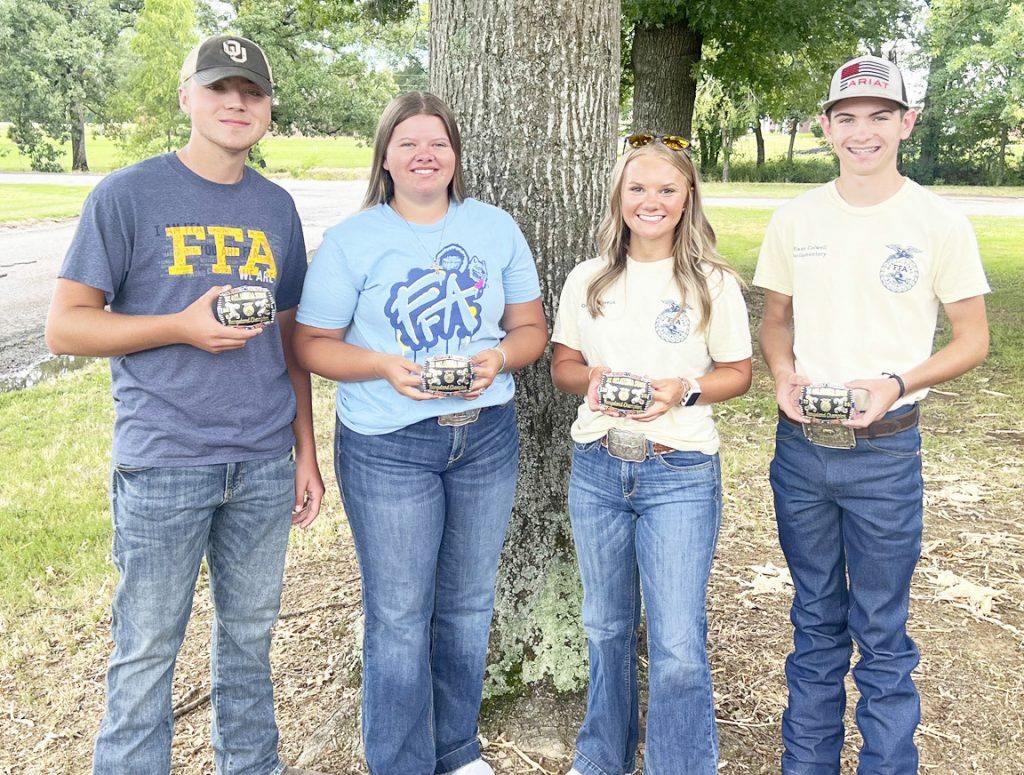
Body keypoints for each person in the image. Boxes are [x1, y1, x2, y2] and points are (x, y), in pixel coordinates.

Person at [44, 35, 326, 775]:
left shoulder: (275, 207)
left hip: (263, 462)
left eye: (253, 92)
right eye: (219, 88)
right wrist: (179, 326)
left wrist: (305, 451)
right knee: (145, 653)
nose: (236, 103)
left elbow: (291, 339)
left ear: (267, 110)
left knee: (249, 645)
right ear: (186, 99)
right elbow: (66, 325)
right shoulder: (127, 195)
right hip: (164, 460)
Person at [292, 91, 547, 775]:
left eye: (437, 142)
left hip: (485, 434)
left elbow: (531, 330)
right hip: (388, 446)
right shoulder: (355, 239)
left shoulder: (494, 227)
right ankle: (400, 761)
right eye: (408, 142)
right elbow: (311, 343)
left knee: (466, 604)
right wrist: (380, 365)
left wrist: (497, 357)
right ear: (385, 156)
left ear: (456, 155)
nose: (424, 154)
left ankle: (456, 748)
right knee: (401, 615)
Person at [754, 55, 990, 775]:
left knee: (882, 633)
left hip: (886, 453)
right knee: (815, 624)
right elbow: (774, 321)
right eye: (848, 118)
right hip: (802, 451)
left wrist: (896, 380)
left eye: (880, 116)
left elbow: (974, 339)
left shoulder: (937, 221)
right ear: (826, 128)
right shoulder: (795, 218)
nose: (864, 132)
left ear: (906, 122)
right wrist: (786, 374)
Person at [551, 134, 753, 775]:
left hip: (680, 471)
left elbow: (739, 373)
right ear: (618, 196)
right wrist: (594, 380)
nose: (651, 201)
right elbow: (562, 365)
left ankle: (681, 763)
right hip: (599, 467)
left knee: (676, 644)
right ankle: (602, 758)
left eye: (667, 189)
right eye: (638, 188)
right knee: (606, 628)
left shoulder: (712, 283)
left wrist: (682, 390)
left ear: (688, 196)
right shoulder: (588, 278)